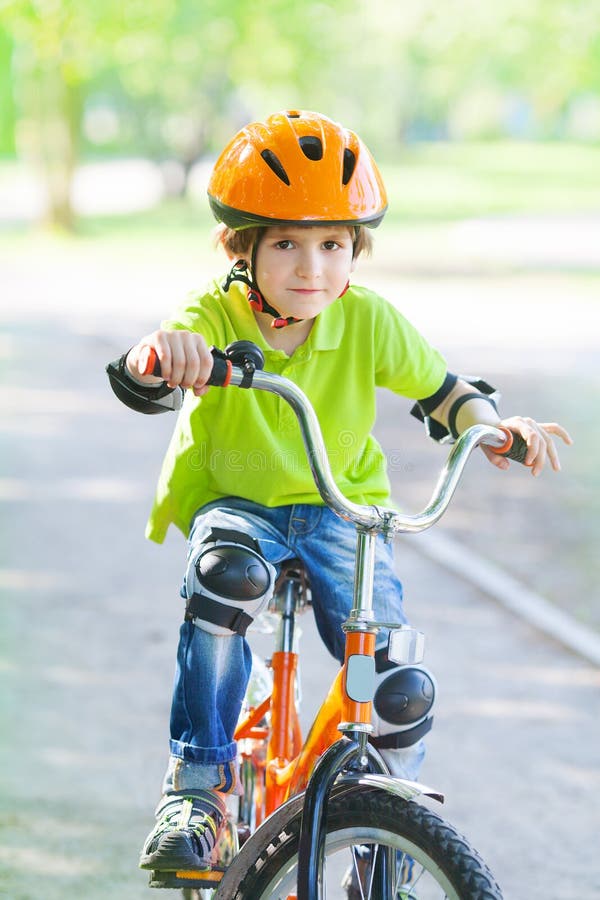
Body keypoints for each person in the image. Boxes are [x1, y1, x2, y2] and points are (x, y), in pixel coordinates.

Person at [106, 110, 571, 877]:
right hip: (240, 507)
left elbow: (447, 391)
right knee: (228, 580)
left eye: (333, 244)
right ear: (240, 246)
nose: (312, 267)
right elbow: (148, 363)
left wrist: (492, 428)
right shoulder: (213, 314)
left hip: (341, 513)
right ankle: (196, 791)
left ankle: (389, 842)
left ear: (357, 250)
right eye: (285, 243)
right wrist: (164, 355)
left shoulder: (369, 320)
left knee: (398, 687)